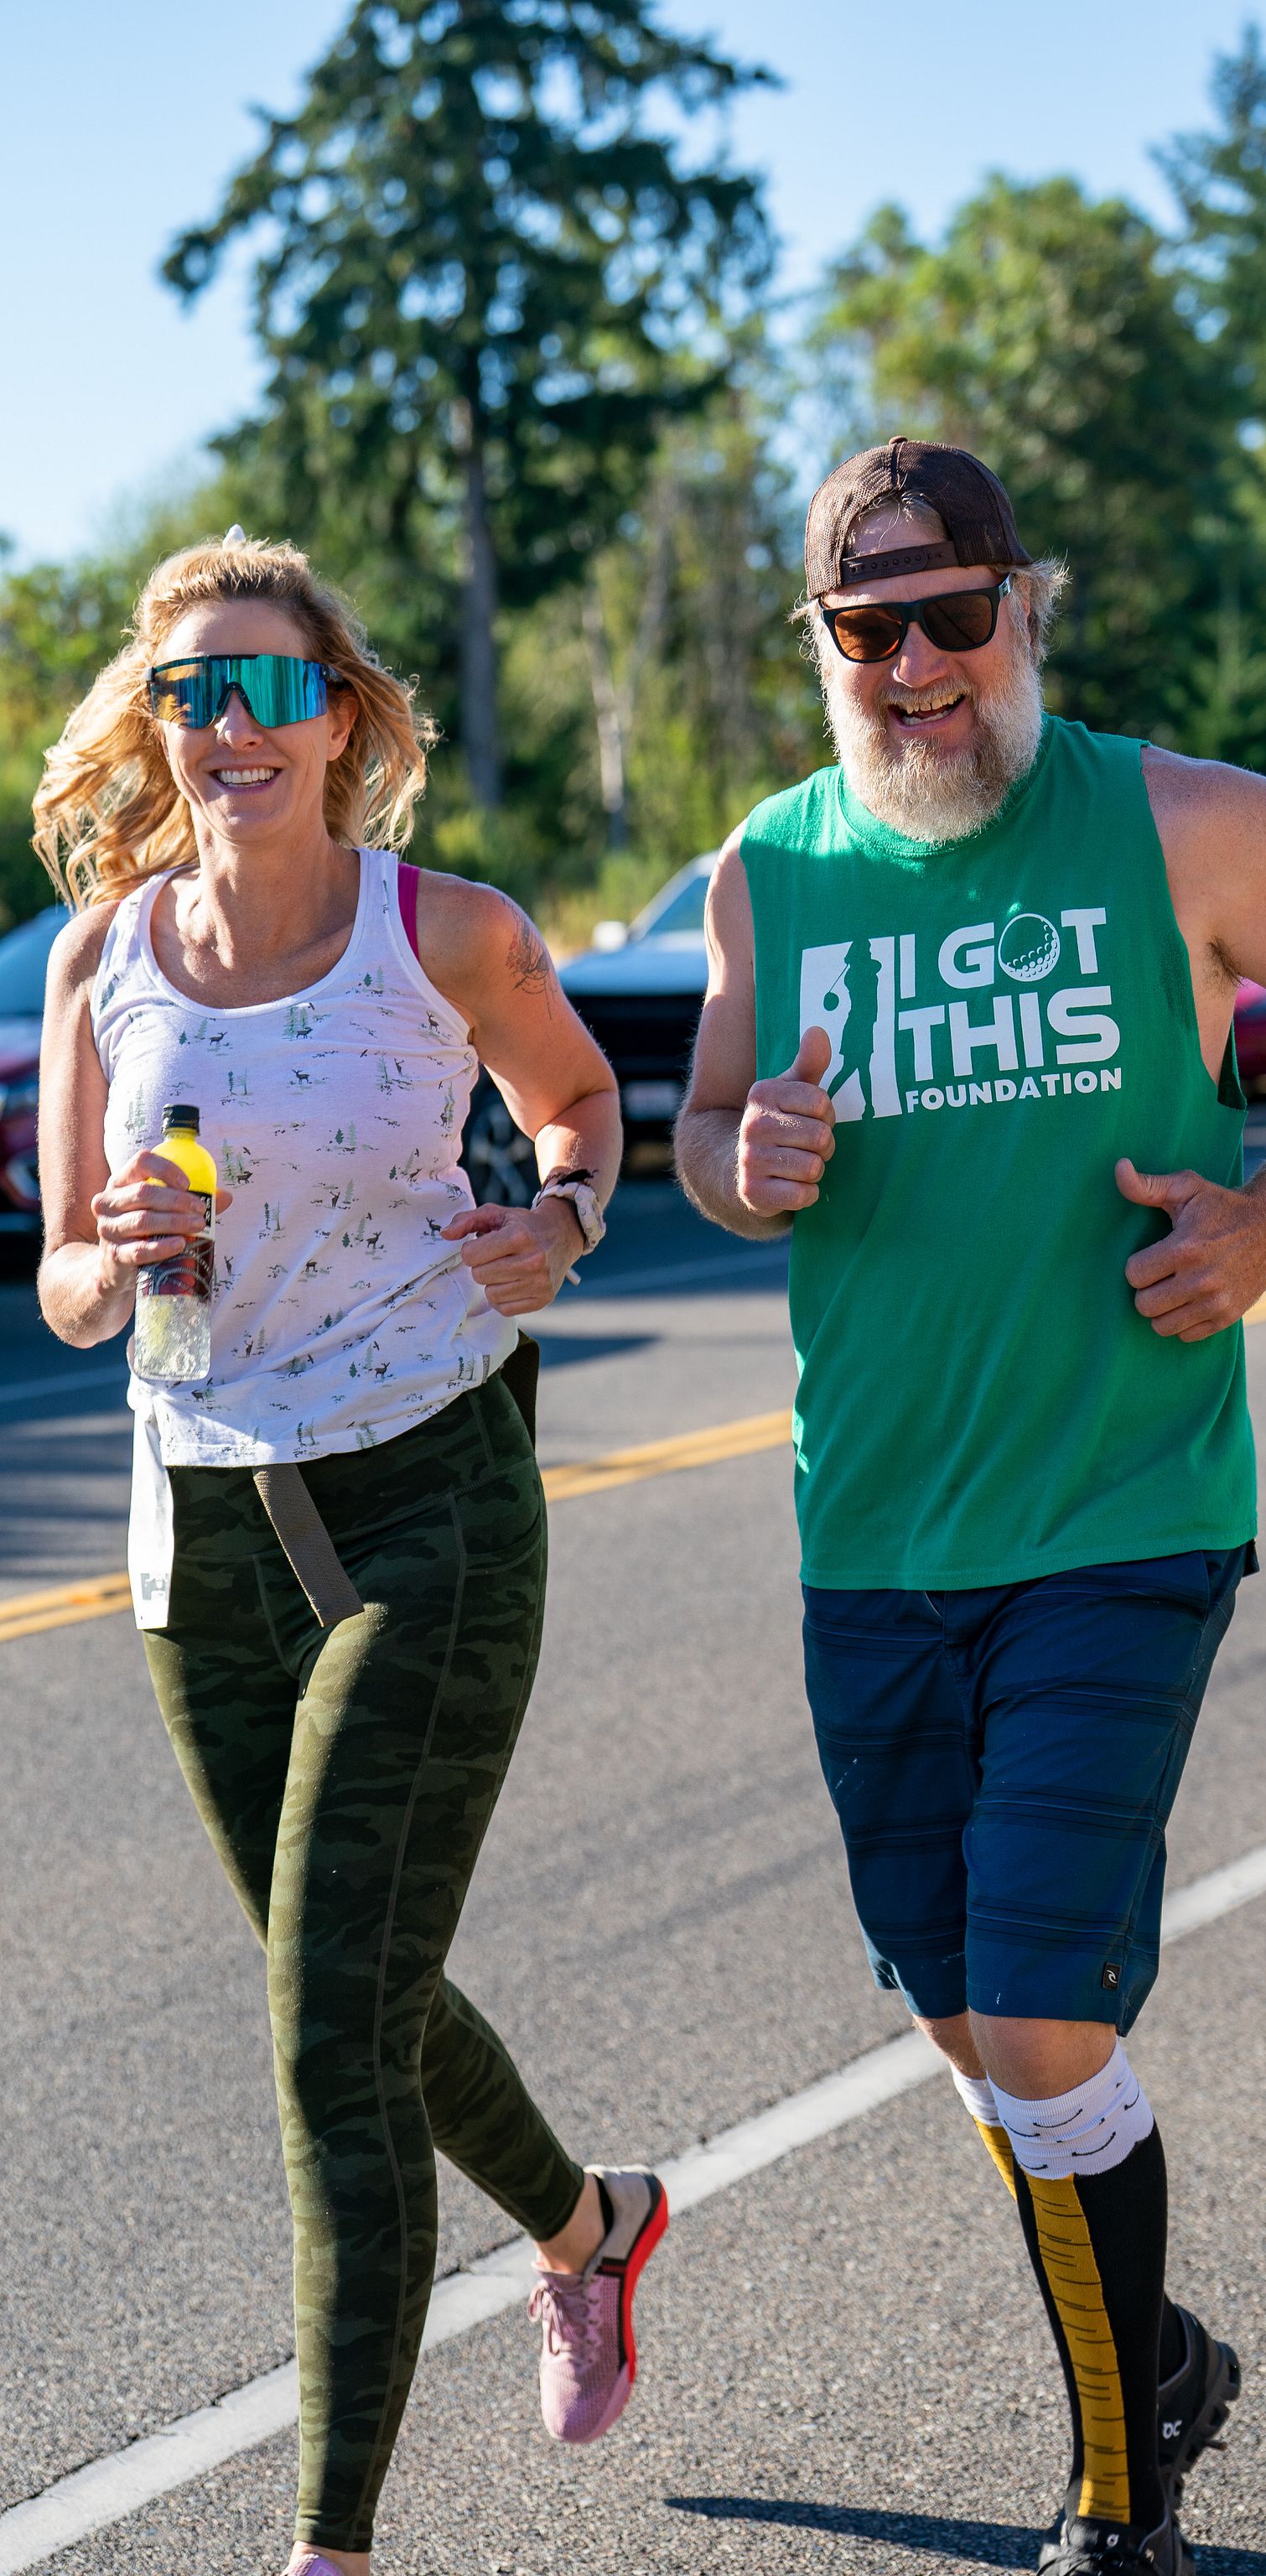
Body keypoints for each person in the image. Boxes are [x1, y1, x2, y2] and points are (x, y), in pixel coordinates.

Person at [677, 439, 1266, 2574]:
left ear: (1029, 603)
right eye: (869, 629)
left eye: (953, 615)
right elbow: (706, 1129)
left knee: (1041, 2017)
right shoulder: (770, 865)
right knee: (964, 2023)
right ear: (820, 646)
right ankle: (1159, 2345)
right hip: (874, 1534)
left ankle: (1124, 2497)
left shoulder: (1179, 821)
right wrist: (730, 1164)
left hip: (1120, 1508)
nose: (916, 667)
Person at [34, 533, 668, 2576]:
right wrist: (103, 1258)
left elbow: (579, 1110)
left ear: (338, 717)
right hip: (196, 1520)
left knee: (324, 2044)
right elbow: (57, 1284)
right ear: (158, 725)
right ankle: (595, 2228)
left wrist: (555, 1222)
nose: (229, 725)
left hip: (428, 1496)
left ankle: (333, 2548)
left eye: (266, 687)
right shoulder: (98, 959)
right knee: (357, 1995)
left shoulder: (447, 932)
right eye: (191, 693)